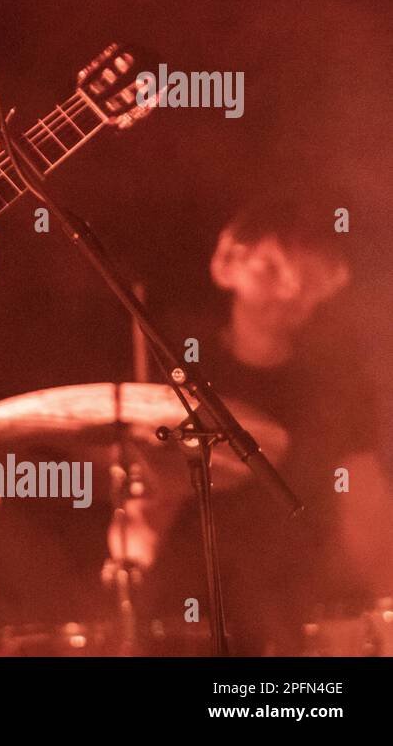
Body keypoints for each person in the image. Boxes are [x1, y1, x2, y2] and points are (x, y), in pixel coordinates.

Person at [138, 194, 392, 654]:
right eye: (271, 270)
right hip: (187, 622)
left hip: (297, 619)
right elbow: (151, 504)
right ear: (226, 267)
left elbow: (366, 511)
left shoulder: (337, 386)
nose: (291, 291)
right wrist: (134, 530)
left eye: (309, 276)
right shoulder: (184, 378)